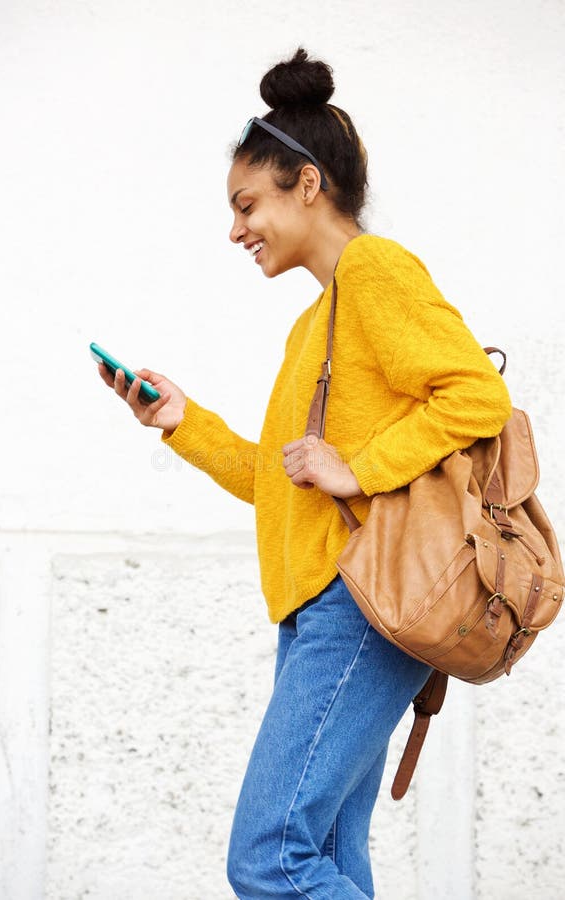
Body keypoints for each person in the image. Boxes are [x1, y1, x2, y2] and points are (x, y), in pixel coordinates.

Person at [97, 48, 512, 900]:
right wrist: (183, 422)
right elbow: (282, 480)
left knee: (270, 854)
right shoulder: (316, 323)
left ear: (308, 185)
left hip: (357, 605)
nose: (236, 228)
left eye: (248, 204)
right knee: (325, 853)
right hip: (316, 611)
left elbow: (479, 397)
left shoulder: (374, 271)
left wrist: (360, 469)